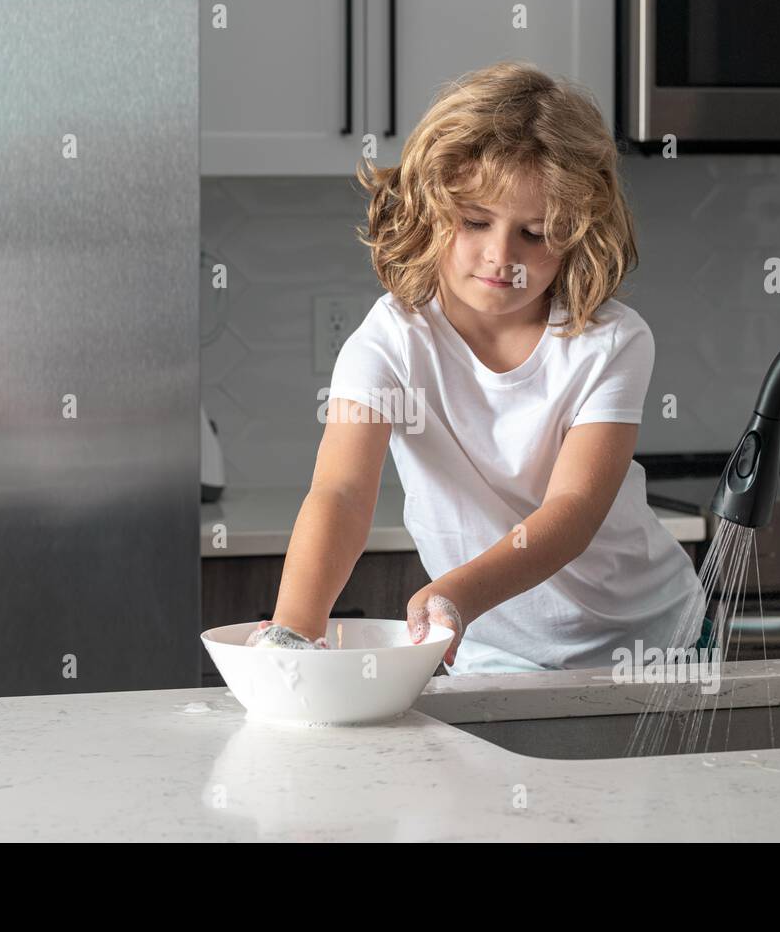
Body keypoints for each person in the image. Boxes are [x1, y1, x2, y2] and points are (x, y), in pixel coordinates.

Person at [247, 61, 706, 674]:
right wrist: (293, 633)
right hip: (495, 652)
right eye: (475, 222)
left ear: (577, 235)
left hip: (653, 640)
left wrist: (457, 595)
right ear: (429, 211)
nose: (500, 256)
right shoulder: (389, 343)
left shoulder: (610, 341)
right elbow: (342, 493)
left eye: (535, 233)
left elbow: (573, 512)